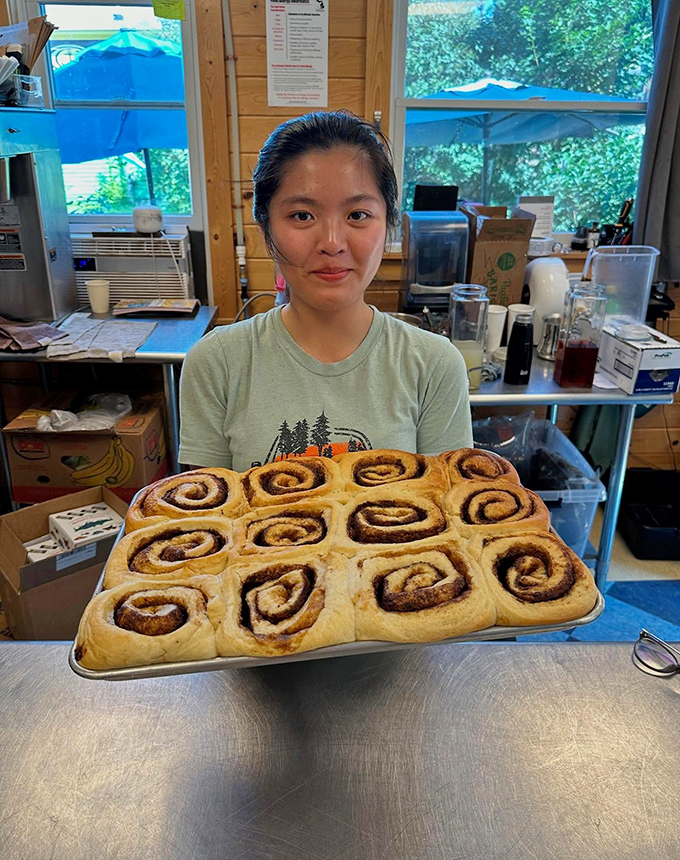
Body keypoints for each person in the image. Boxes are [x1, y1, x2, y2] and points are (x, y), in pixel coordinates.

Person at [179, 111, 472, 471]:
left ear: (389, 224)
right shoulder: (216, 363)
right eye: (302, 215)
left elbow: (448, 501)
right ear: (266, 229)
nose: (332, 243)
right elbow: (206, 503)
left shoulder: (435, 365)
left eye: (357, 215)